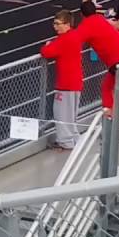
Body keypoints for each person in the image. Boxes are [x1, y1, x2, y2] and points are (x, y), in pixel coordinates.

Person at [76, 0, 119, 115]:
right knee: (109, 86)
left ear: (81, 14)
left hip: (117, 59)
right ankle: (114, 113)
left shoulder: (86, 25)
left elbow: (74, 41)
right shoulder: (100, 18)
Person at [40, 10, 84, 150]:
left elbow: (46, 52)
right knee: (71, 115)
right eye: (54, 23)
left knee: (61, 114)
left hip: (66, 83)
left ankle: (65, 142)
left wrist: (47, 45)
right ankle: (74, 139)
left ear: (67, 24)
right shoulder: (75, 35)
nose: (55, 27)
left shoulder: (64, 39)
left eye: (58, 24)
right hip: (75, 82)